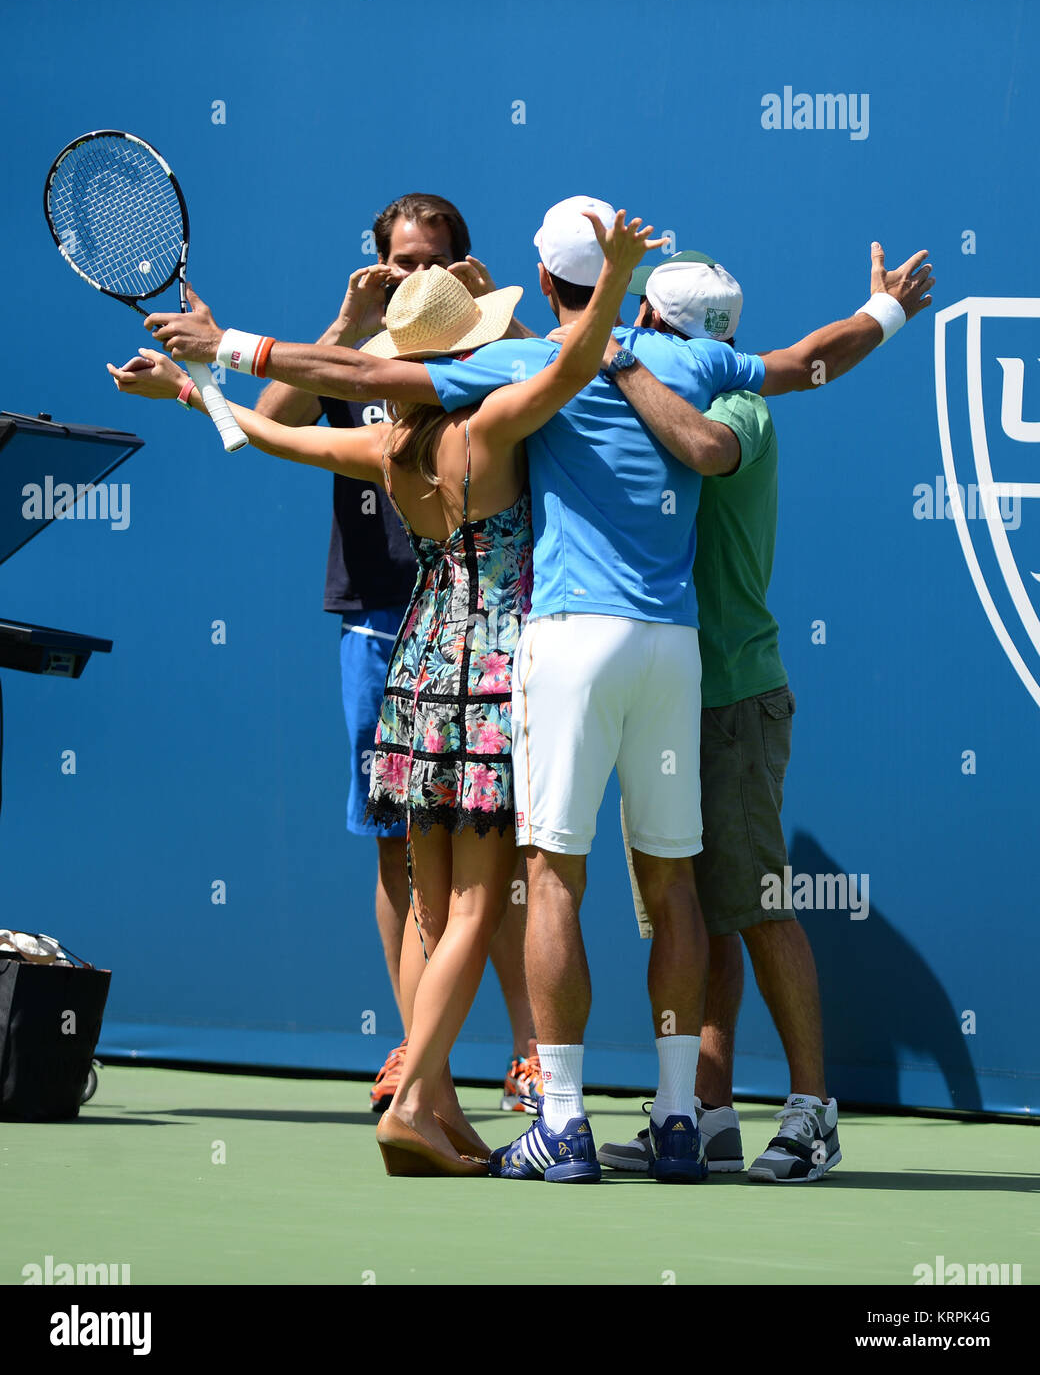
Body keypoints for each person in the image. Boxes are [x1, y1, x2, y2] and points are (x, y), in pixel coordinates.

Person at [141, 197, 933, 1184]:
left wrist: (229, 353)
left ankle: (550, 1115)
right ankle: (679, 1113)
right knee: (673, 883)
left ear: (543, 283)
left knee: (539, 882)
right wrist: (886, 312)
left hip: (541, 652)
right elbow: (811, 357)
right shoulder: (683, 363)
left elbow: (353, 378)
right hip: (670, 650)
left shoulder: (509, 379)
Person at [108, 206, 664, 1177]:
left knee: (424, 902)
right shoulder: (493, 420)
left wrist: (195, 389)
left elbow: (258, 437)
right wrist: (613, 279)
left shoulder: (380, 449)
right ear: (477, 347)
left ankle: (437, 1106)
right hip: (492, 671)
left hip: (411, 665)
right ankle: (413, 1099)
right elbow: (576, 366)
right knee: (479, 905)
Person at [253, 191, 541, 1115]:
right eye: (401, 262)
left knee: (496, 847)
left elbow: (558, 377)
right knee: (400, 854)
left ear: (461, 264)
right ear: (378, 262)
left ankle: (531, 1049)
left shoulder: (494, 361)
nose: (414, 275)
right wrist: (350, 321)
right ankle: (422, 1057)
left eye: (433, 262)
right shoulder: (351, 356)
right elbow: (276, 413)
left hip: (487, 641)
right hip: (381, 630)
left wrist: (493, 312)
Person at [594, 253, 846, 1180]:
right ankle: (705, 1111)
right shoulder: (655, 381)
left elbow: (701, 449)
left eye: (641, 326)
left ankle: (814, 1110)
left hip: (733, 693)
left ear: (662, 330)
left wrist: (617, 367)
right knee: (691, 913)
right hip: (665, 694)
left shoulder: (737, 406)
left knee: (759, 902)